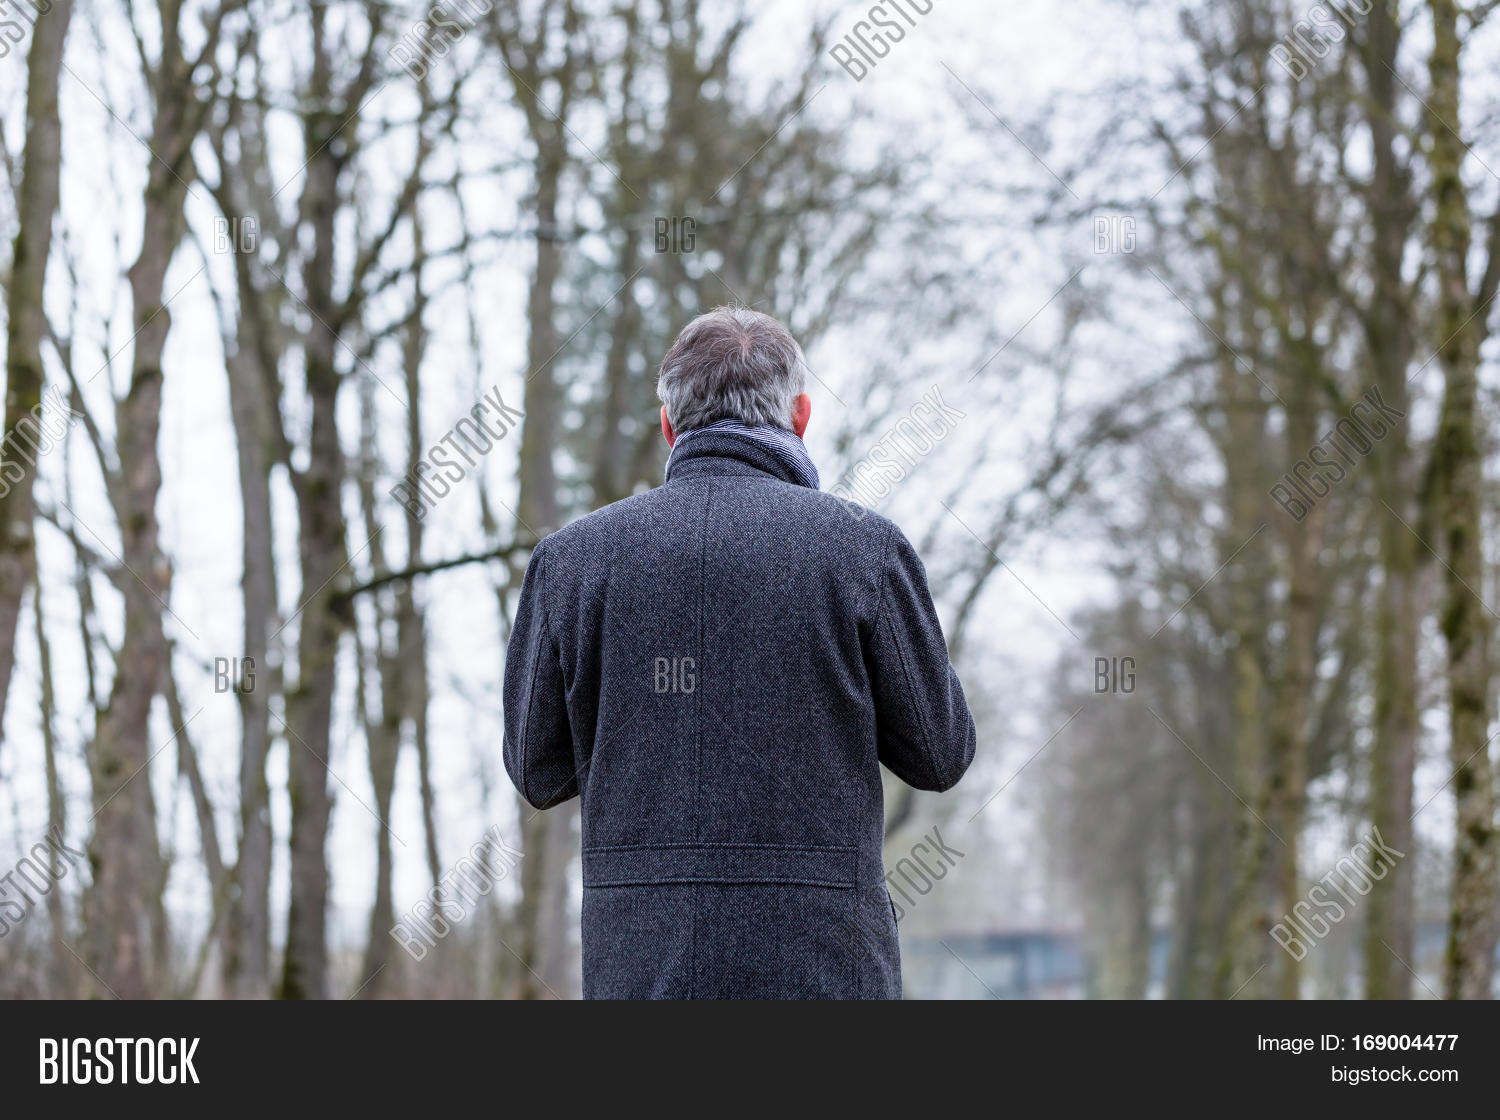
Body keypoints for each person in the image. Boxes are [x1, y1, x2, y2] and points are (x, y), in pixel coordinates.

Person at [503, 306, 976, 999]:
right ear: (801, 416)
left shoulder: (572, 563)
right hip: (825, 968)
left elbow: (536, 771)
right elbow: (940, 755)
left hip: (642, 968)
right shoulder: (864, 551)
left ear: (669, 426)